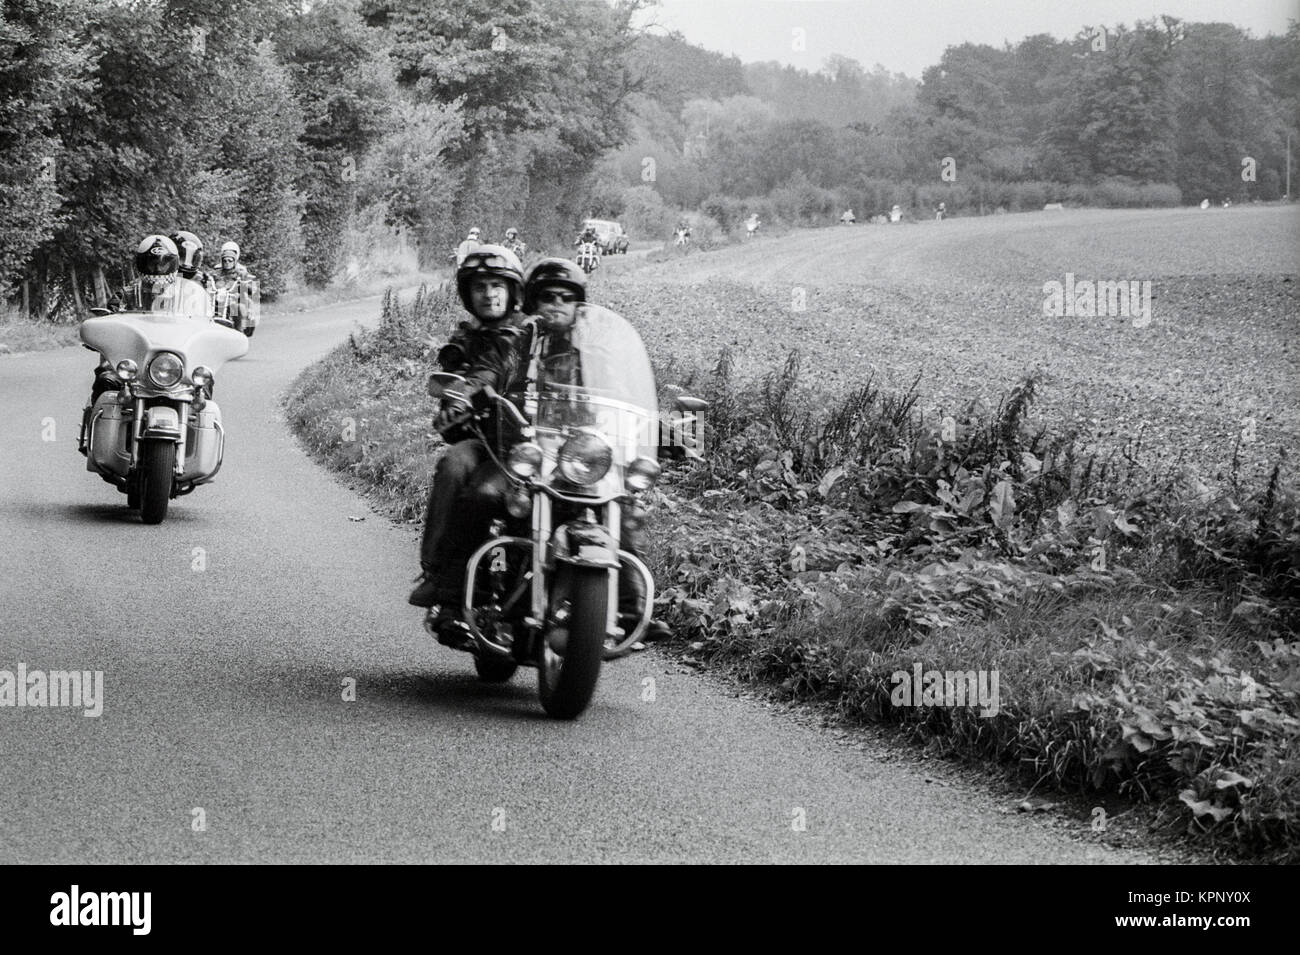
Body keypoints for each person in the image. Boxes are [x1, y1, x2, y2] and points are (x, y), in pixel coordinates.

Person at [521, 257, 671, 641]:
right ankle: (495, 584)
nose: (557, 304)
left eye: (566, 298)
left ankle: (632, 609)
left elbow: (623, 397)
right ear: (533, 302)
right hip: (535, 448)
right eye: (548, 297)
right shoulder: (520, 345)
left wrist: (657, 428)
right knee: (510, 504)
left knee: (624, 511)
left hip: (580, 453)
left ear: (578, 305)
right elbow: (502, 389)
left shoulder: (594, 351)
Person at [409, 245, 533, 634]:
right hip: (488, 442)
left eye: (497, 285)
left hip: (537, 443)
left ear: (513, 291)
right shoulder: (465, 341)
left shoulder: (533, 333)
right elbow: (469, 380)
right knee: (454, 463)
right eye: (480, 287)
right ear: (468, 293)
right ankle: (441, 575)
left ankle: (620, 597)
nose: (489, 294)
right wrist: (455, 403)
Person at [82, 235, 213, 448]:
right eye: (152, 262)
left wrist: (209, 335)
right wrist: (102, 332)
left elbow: (204, 324)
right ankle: (95, 437)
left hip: (174, 363)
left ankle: (199, 440)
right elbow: (109, 317)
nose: (158, 268)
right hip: (133, 363)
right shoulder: (127, 293)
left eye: (164, 262)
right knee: (106, 379)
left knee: (203, 383)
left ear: (174, 263)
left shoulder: (189, 296)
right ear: (141, 263)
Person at [212, 241, 258, 331]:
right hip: (219, 296)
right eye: (225, 260)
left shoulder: (241, 270)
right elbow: (210, 277)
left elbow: (251, 285)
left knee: (238, 307)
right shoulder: (217, 269)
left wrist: (245, 283)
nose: (227, 263)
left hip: (235, 297)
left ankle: (240, 330)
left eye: (230, 260)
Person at [171, 230, 216, 297]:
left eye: (191, 258)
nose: (186, 263)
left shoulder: (201, 278)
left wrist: (206, 286)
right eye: (182, 257)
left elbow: (208, 299)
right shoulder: (163, 276)